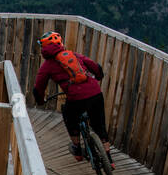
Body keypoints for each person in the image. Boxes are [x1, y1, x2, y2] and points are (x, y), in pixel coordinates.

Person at [32, 30, 112, 166]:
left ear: (44, 48)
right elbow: (95, 67)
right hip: (95, 93)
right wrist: (98, 76)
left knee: (69, 115)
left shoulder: (47, 65)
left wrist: (40, 101)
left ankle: (77, 149)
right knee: (99, 126)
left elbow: (38, 88)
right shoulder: (73, 55)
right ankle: (109, 160)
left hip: (76, 98)